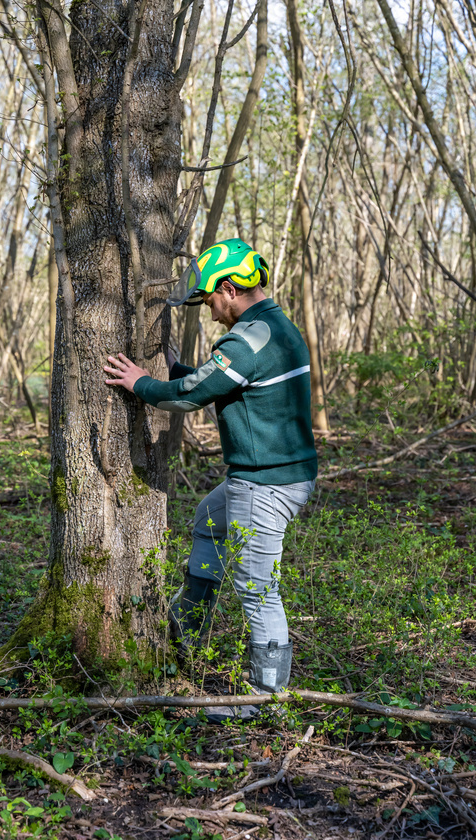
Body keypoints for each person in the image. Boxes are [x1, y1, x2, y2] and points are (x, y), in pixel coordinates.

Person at [103, 237, 318, 701]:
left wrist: (139, 382)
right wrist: (174, 366)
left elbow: (189, 396)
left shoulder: (247, 340)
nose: (210, 309)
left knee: (258, 588)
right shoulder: (274, 328)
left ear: (230, 288)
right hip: (279, 475)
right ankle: (187, 631)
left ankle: (267, 697)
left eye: (210, 299)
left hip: (265, 483)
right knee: (209, 519)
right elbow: (214, 378)